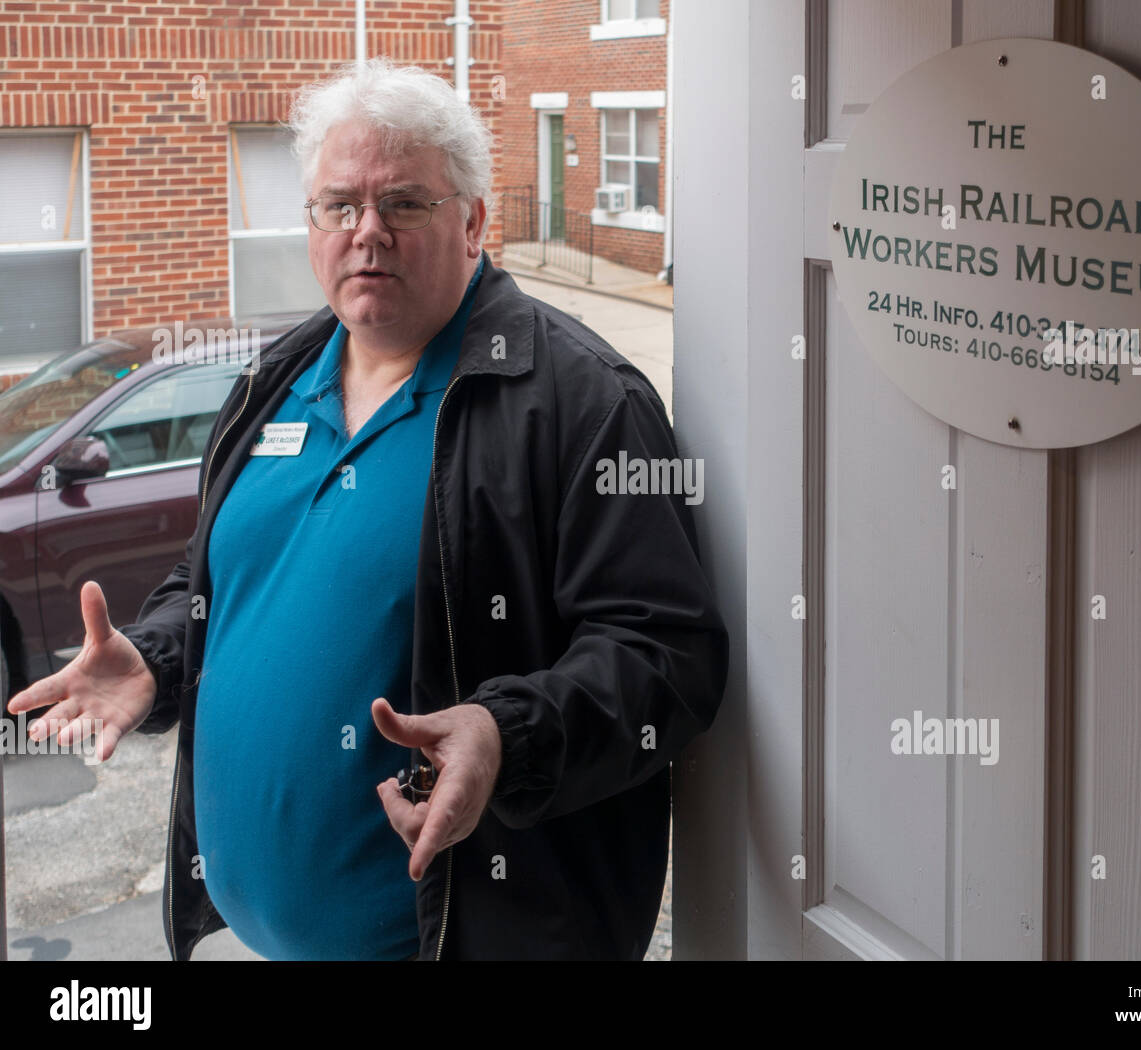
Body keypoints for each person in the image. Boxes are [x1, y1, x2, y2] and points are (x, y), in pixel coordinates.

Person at [7, 58, 728, 961]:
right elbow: (218, 576)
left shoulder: (581, 403)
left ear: (472, 220)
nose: (368, 234)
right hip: (240, 938)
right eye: (338, 206)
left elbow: (668, 657)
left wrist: (506, 734)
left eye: (406, 204)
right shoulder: (273, 381)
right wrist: (153, 659)